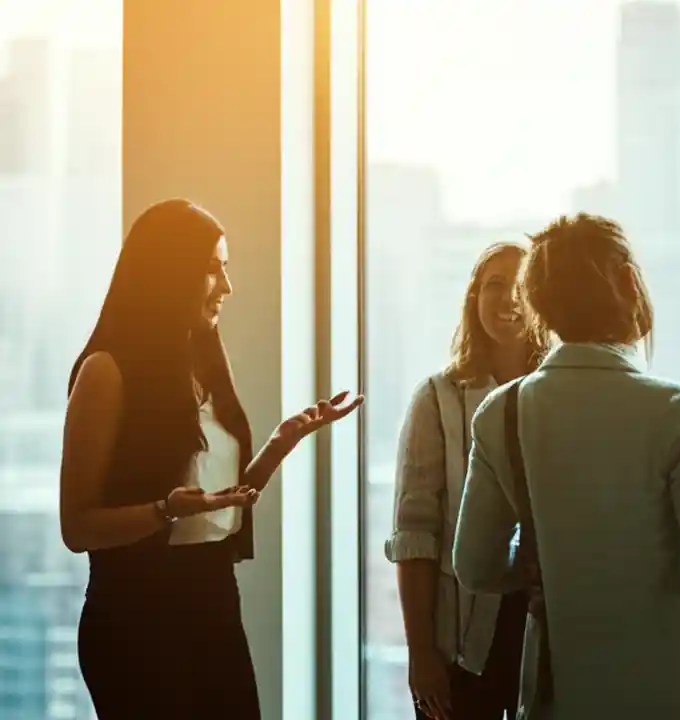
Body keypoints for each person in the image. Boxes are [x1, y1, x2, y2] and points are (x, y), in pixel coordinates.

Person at [452, 213, 680, 719]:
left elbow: (475, 566)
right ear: (626, 281)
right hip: (679, 689)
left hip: (565, 688)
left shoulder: (503, 413)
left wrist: (538, 563)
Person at [60, 199, 362, 719]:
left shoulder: (201, 366)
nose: (226, 286)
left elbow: (214, 507)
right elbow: (78, 527)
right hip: (137, 618)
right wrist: (165, 511)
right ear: (169, 272)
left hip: (213, 601)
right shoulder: (105, 373)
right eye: (212, 267)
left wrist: (282, 442)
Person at [387, 241, 548, 720]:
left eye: (520, 285)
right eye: (493, 285)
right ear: (473, 299)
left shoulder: (558, 399)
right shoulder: (437, 399)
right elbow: (414, 536)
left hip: (544, 634)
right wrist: (420, 654)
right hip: (459, 647)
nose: (508, 298)